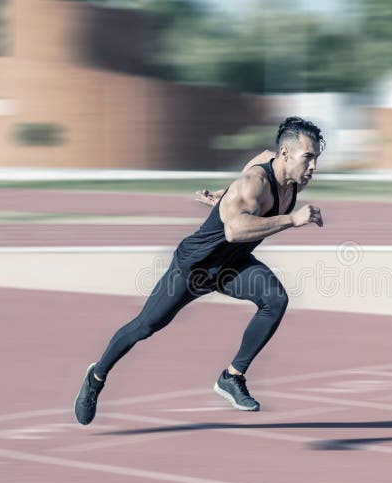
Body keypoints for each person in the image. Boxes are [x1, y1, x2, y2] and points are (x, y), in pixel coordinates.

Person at [75, 117, 324, 424]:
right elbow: (234, 230)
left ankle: (232, 377)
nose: (313, 167)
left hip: (232, 266)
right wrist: (290, 219)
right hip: (193, 267)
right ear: (285, 154)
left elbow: (252, 170)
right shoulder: (254, 184)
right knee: (145, 326)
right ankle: (96, 378)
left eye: (316, 158)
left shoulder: (281, 174)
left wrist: (225, 195)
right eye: (308, 158)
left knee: (276, 299)